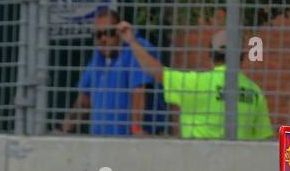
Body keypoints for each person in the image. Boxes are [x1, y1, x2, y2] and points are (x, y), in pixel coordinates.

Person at [116, 23, 274, 140]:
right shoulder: (254, 92)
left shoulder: (197, 84)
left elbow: (154, 70)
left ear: (211, 54)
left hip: (198, 165)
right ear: (243, 56)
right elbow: (263, 139)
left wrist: (132, 42)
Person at [58, 9, 160, 136]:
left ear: (120, 31)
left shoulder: (137, 49)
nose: (103, 39)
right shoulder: (98, 56)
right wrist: (64, 129)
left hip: (129, 144)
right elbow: (85, 100)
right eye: (98, 35)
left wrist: (136, 130)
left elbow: (139, 91)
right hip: (100, 143)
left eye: (109, 32)